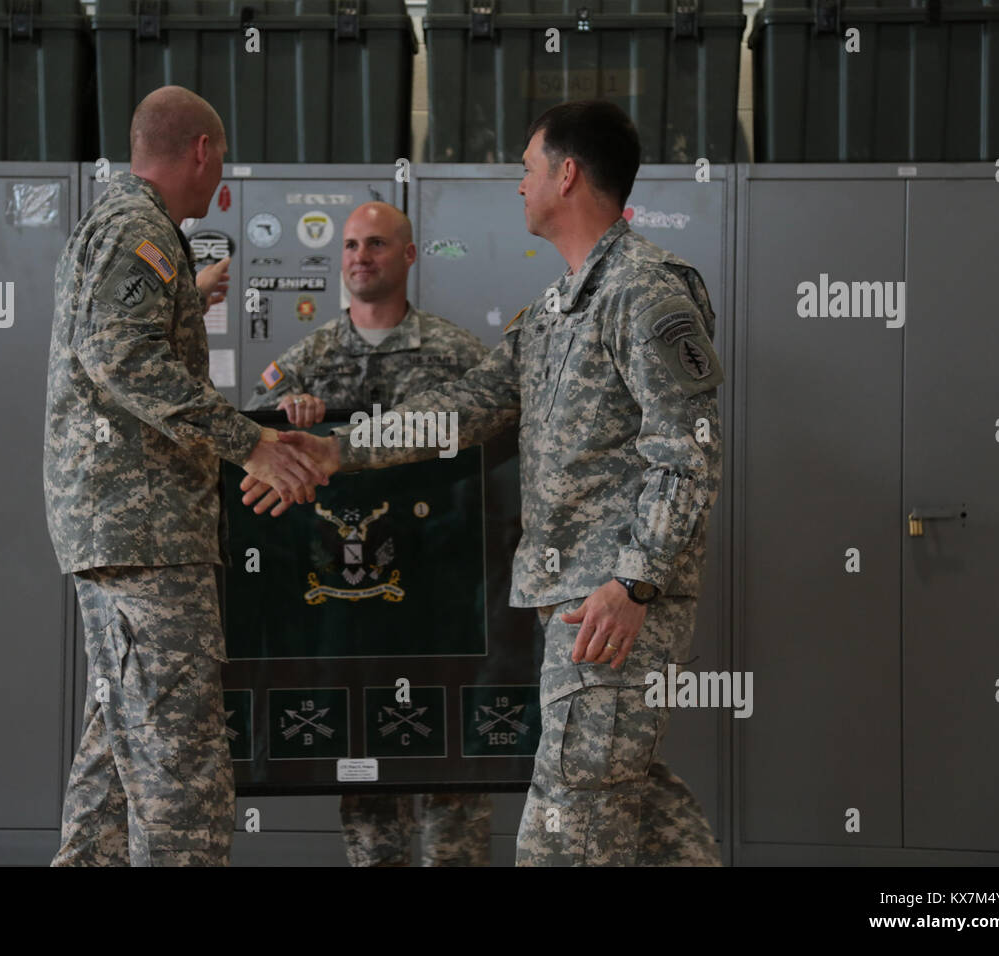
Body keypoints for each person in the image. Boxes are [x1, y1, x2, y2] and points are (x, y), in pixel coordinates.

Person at [245, 100, 725, 866]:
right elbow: (462, 413)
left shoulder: (647, 291)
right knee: (632, 796)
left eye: (528, 168)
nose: (520, 185)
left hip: (607, 608)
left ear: (567, 175)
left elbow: (690, 455)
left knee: (563, 829)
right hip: (566, 602)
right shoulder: (551, 313)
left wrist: (633, 585)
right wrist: (340, 451)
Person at [43, 85, 328, 867]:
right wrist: (252, 444)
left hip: (121, 533)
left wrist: (182, 299)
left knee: (118, 763)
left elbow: (110, 341)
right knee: (182, 779)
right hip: (147, 537)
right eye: (222, 158)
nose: (221, 175)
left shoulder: (113, 225)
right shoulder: (144, 230)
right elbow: (121, 355)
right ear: (202, 151)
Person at [244, 201, 496, 866]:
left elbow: (497, 439)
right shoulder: (310, 359)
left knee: (450, 761)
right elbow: (251, 447)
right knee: (364, 758)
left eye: (377, 244)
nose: (360, 256)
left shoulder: (456, 353)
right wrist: (284, 413)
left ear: (409, 256)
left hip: (444, 591)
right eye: (352, 245)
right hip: (348, 594)